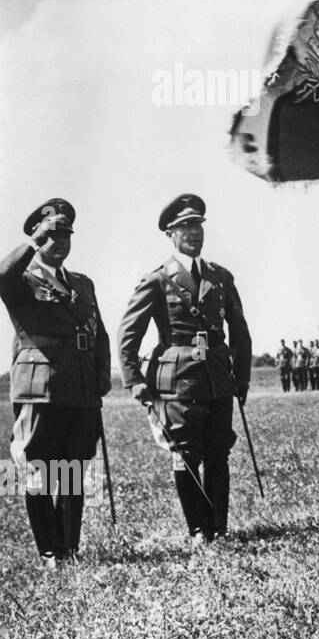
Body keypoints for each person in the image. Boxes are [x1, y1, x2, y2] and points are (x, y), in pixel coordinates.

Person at [118, 194, 252, 545]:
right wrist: (132, 379)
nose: (193, 233)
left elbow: (239, 331)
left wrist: (243, 375)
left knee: (218, 451)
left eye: (197, 226)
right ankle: (197, 530)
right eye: (184, 227)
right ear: (170, 234)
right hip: (178, 379)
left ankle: (219, 527)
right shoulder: (157, 279)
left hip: (218, 377)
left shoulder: (220, 276)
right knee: (186, 453)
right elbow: (128, 332)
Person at [0, 200, 112, 568]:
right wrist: (32, 244)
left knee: (75, 468)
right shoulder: (21, 280)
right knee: (39, 468)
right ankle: (49, 552)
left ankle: (69, 549)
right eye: (52, 236)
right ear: (37, 237)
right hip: (40, 385)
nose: (60, 242)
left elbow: (99, 333)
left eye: (65, 235)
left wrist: (100, 372)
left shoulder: (82, 283)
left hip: (79, 386)